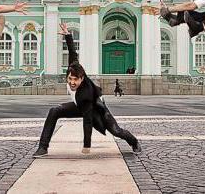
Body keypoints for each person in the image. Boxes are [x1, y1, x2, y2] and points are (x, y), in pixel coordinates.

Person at [33, 22, 141, 158]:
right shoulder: (73, 68)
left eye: (75, 80)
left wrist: (86, 145)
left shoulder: (86, 94)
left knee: (116, 130)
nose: (72, 83)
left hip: (97, 109)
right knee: (54, 111)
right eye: (70, 79)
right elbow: (73, 53)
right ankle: (43, 147)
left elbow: (88, 120)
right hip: (80, 105)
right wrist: (68, 35)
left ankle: (134, 142)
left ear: (82, 78)